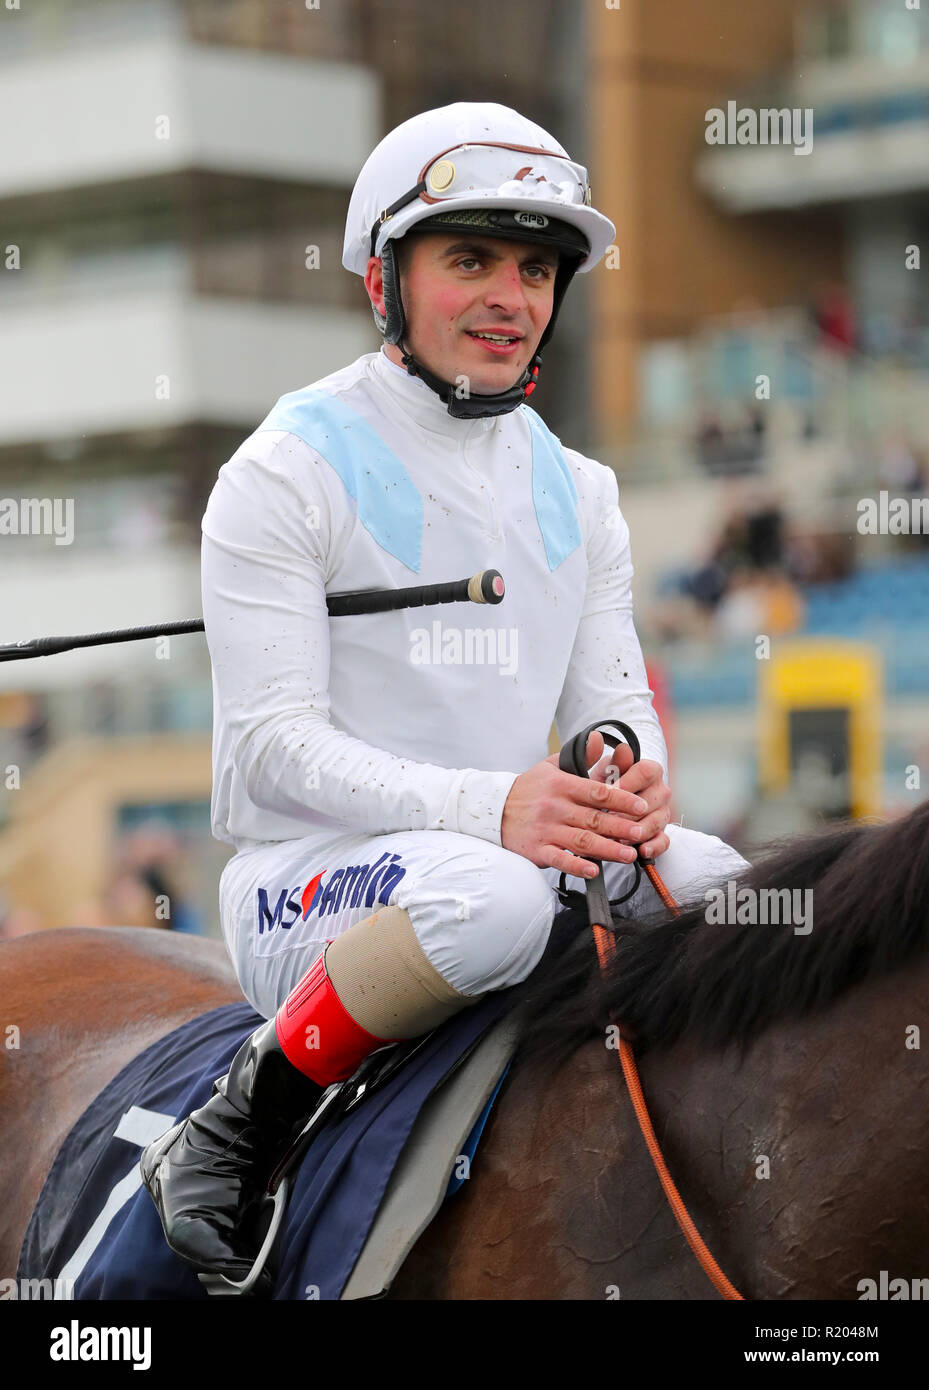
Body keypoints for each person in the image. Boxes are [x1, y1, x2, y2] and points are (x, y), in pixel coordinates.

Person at [140, 102, 749, 1286]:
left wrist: (618, 769)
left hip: (505, 853)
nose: (508, 298)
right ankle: (237, 1121)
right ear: (383, 276)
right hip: (311, 888)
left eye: (532, 268)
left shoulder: (583, 489)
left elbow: (608, 699)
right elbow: (267, 750)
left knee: (727, 888)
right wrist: (495, 809)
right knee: (498, 903)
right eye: (468, 259)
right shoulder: (282, 469)